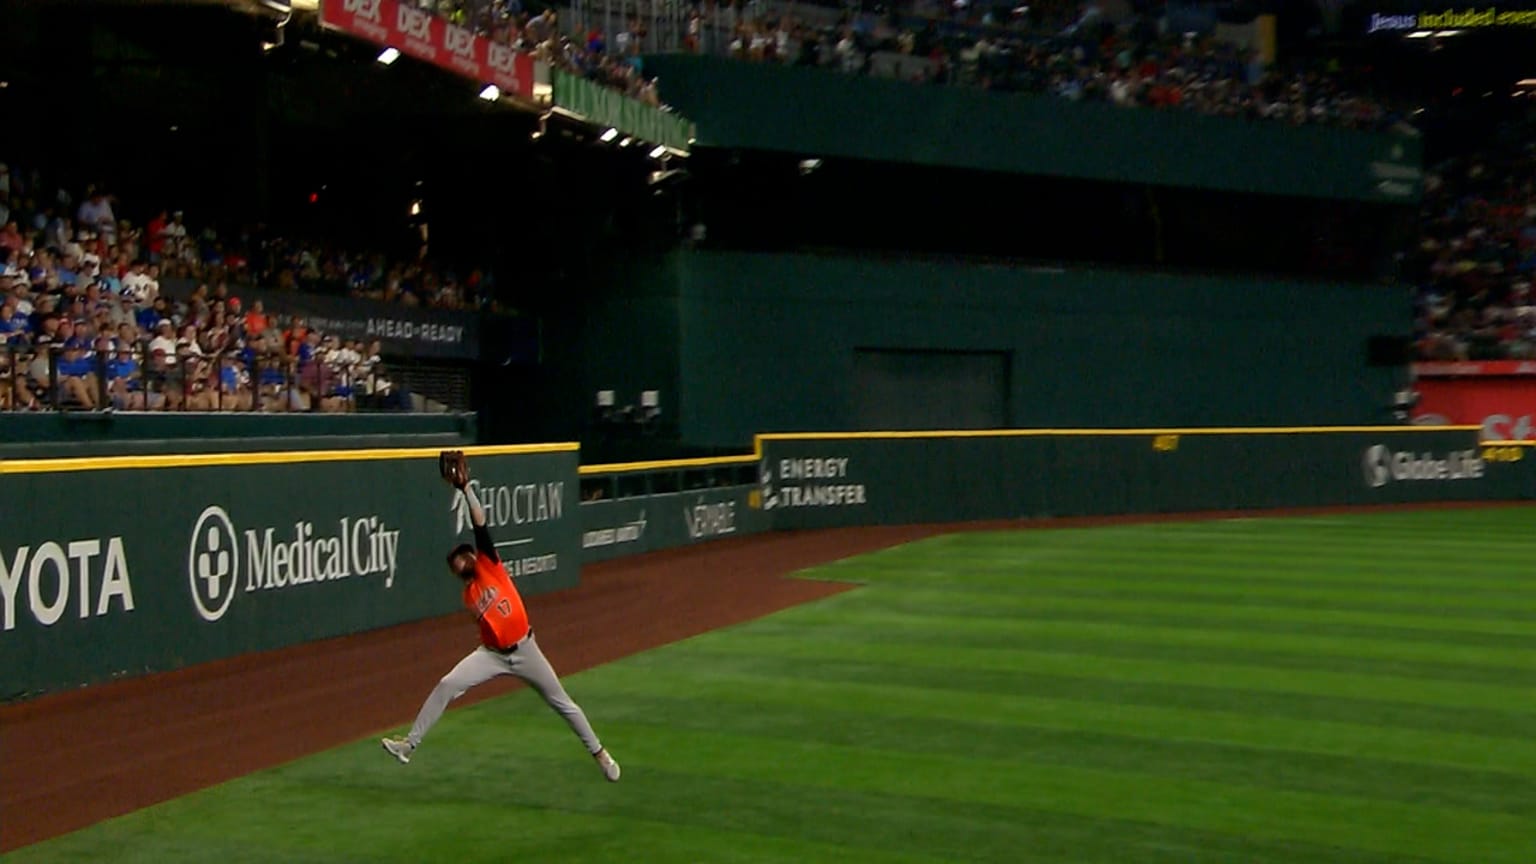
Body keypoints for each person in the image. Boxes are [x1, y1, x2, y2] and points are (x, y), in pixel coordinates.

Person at [381, 452, 621, 782]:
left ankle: (600, 753)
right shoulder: (468, 594)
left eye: (464, 556)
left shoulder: (489, 565)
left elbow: (480, 526)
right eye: (456, 562)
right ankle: (408, 745)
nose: (461, 561)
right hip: (492, 656)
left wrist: (466, 490)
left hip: (525, 651)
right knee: (448, 684)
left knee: (562, 703)